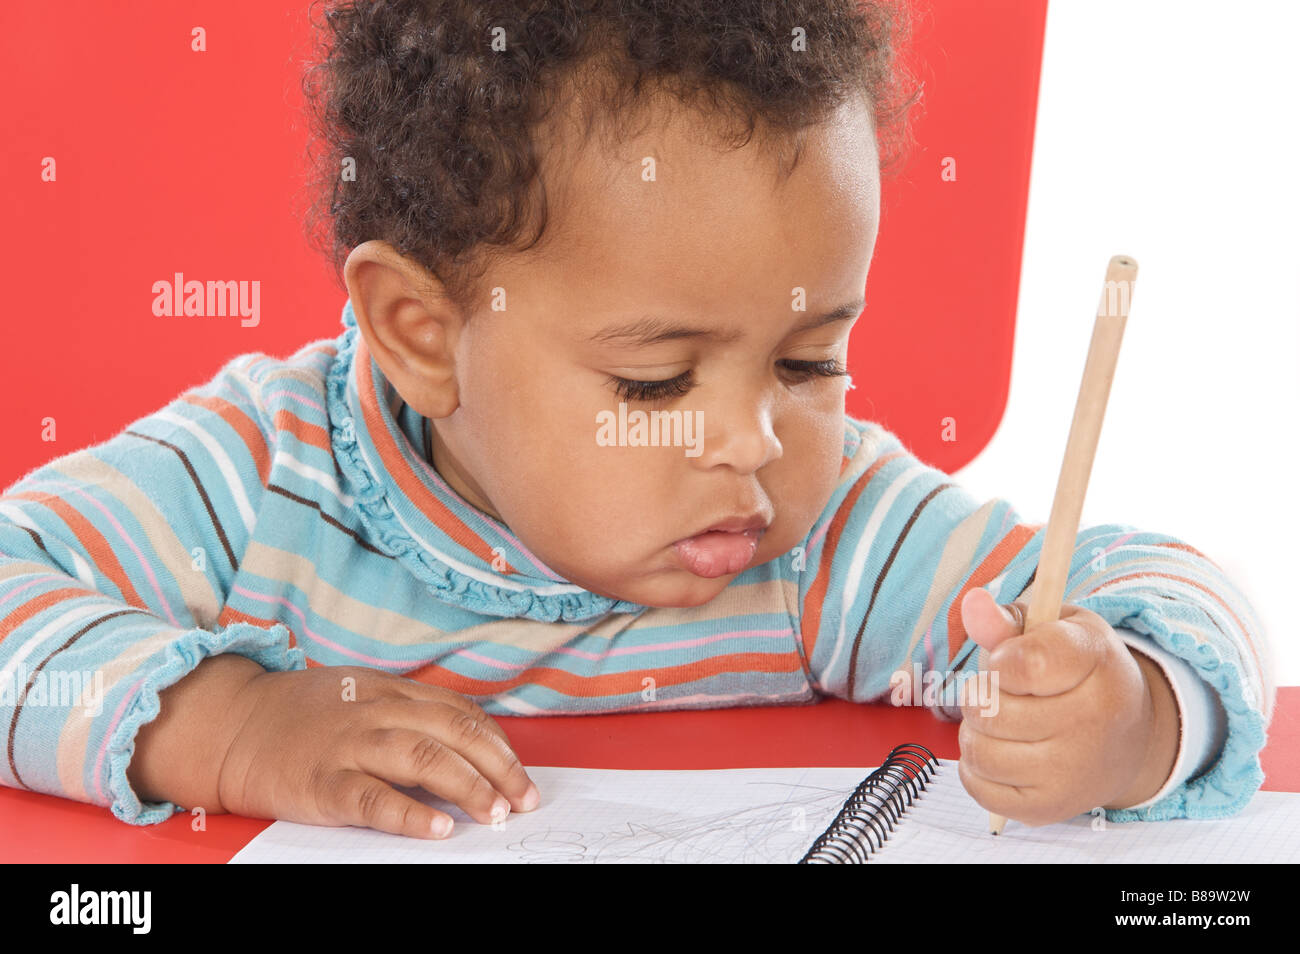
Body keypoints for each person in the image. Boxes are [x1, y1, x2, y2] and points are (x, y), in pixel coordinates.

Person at [0, 0, 1272, 841]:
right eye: (657, 385)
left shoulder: (824, 543)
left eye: (807, 358)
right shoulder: (257, 483)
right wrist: (225, 726)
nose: (753, 442)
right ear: (421, 334)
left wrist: (1135, 713)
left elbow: (1163, 587)